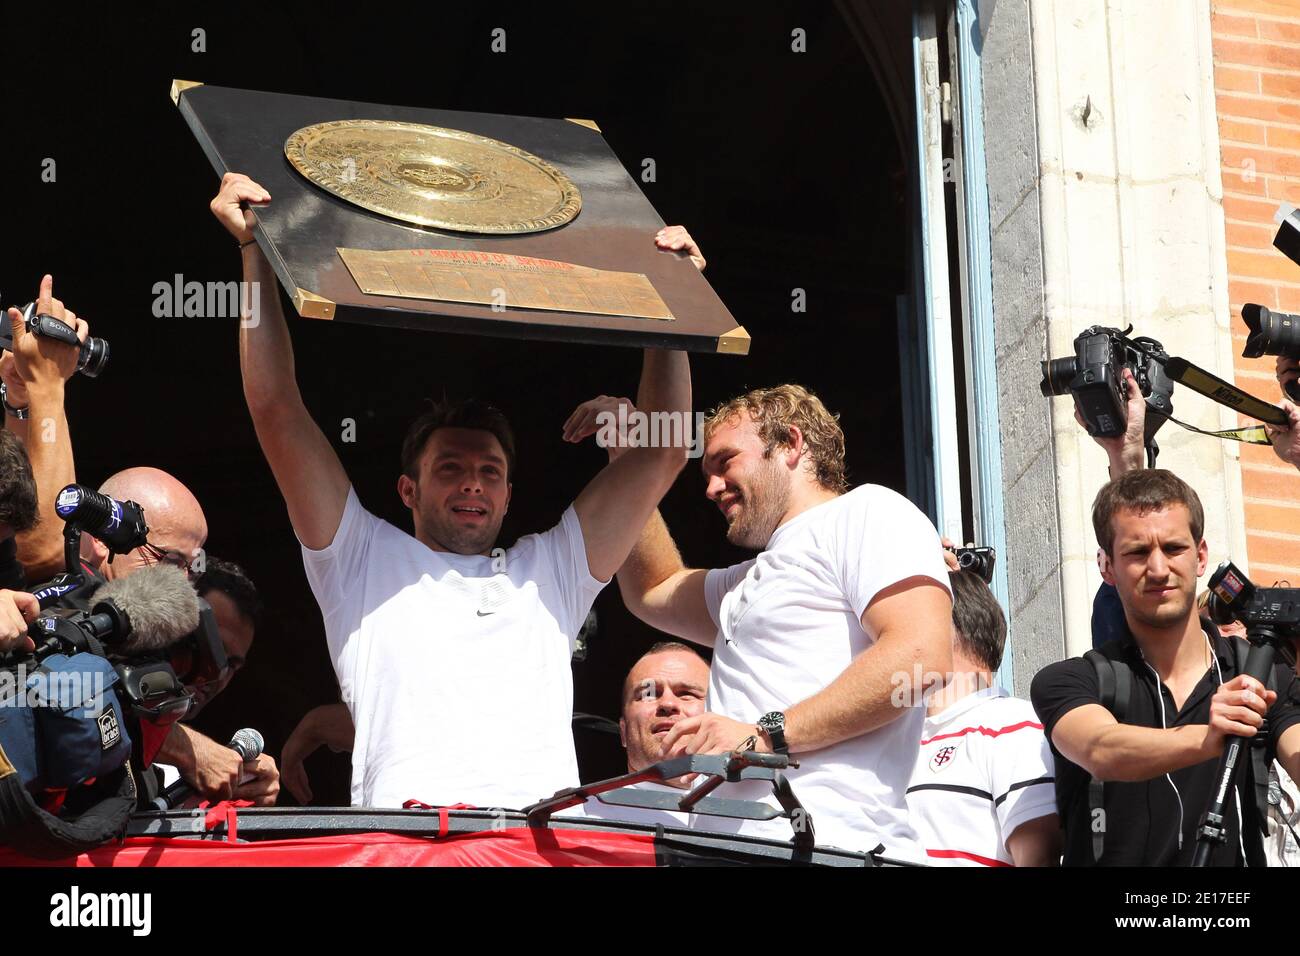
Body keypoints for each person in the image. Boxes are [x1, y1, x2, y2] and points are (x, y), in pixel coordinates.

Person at [211, 172, 692, 809]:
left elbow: (664, 452)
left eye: (490, 471)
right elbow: (276, 408)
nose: (473, 481)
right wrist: (253, 255)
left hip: (534, 847)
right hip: (405, 847)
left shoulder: (550, 570)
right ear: (406, 490)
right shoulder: (359, 558)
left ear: (510, 495)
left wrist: (678, 302)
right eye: (450, 468)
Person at [607, 384, 953, 858]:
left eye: (724, 461)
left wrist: (764, 735)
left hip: (830, 844)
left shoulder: (868, 512)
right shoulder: (744, 583)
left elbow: (921, 659)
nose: (710, 488)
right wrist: (629, 463)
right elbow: (652, 588)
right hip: (734, 848)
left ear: (791, 443)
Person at [1030, 469, 1300, 865]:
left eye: (1174, 548)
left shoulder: (1262, 673)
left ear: (1201, 556)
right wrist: (1208, 738)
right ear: (1106, 566)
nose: (1158, 569)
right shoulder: (1072, 680)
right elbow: (1099, 749)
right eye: (1138, 553)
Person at [907, 567, 1059, 866]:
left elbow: (1039, 856)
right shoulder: (900, 741)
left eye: (908, 623)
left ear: (944, 629)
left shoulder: (1012, 724)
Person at [574, 641, 711, 828]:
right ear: (623, 732)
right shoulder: (581, 818)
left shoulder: (760, 813)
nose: (667, 704)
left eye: (686, 693)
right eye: (648, 695)